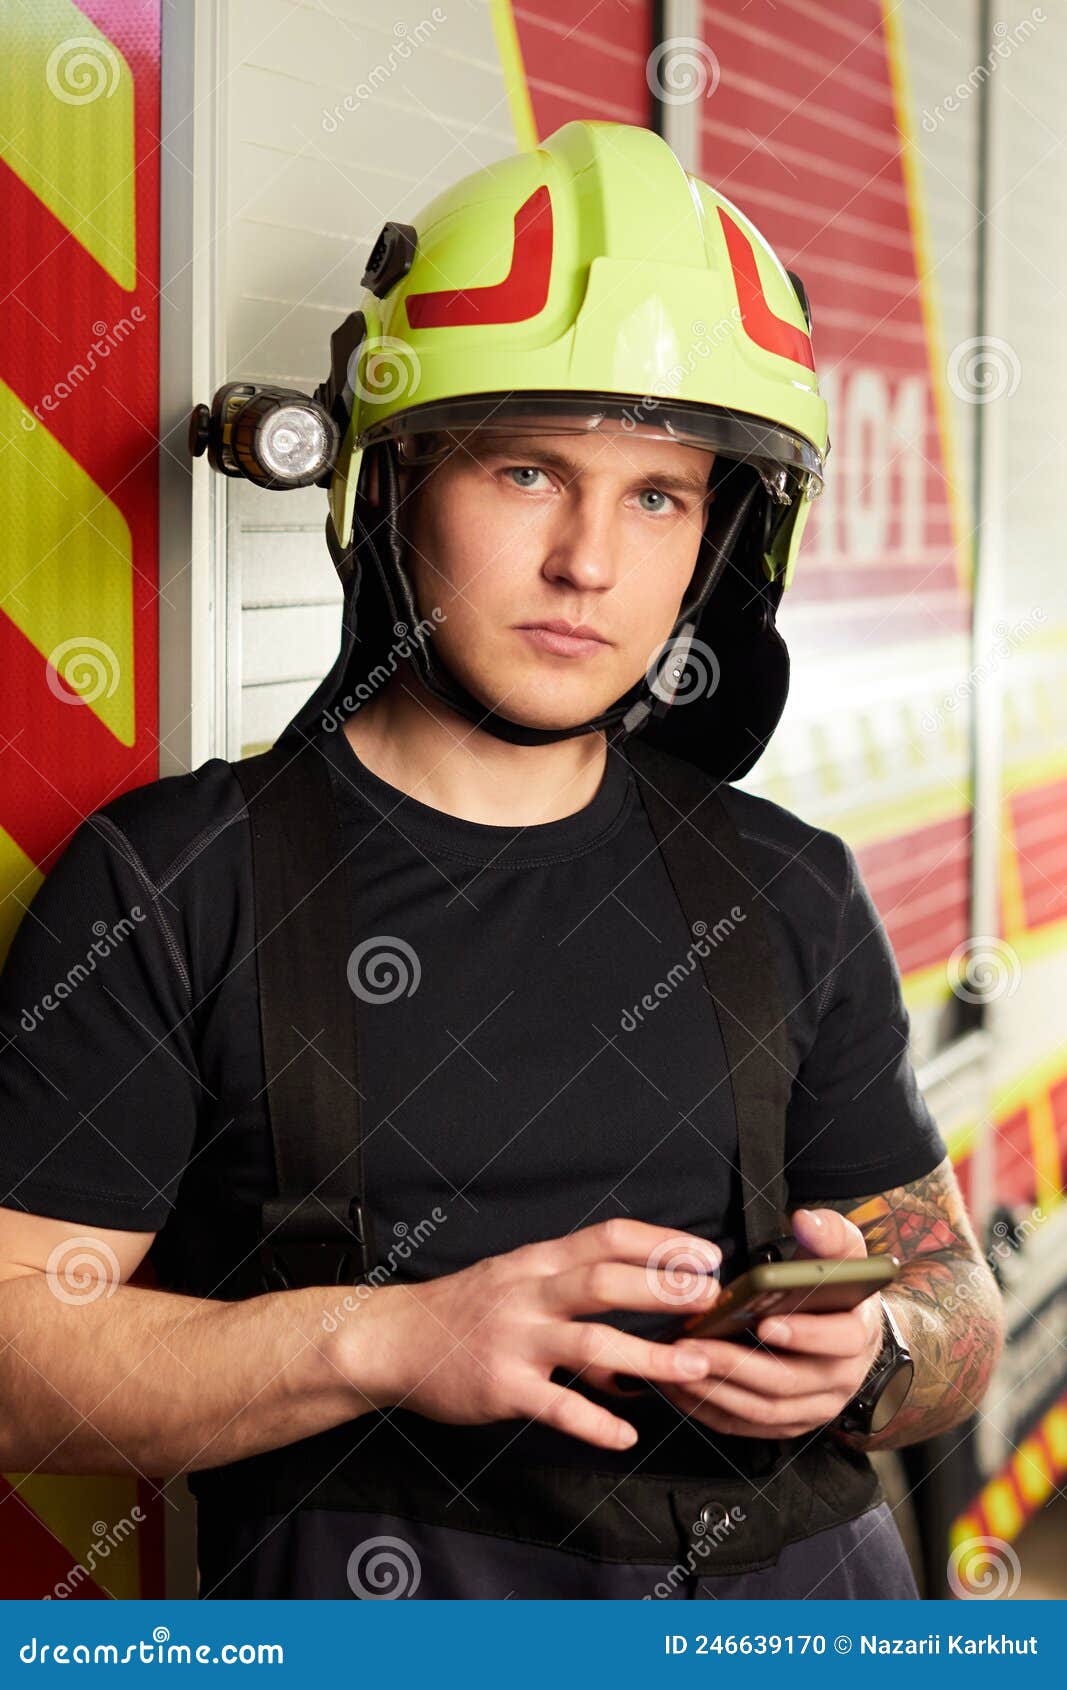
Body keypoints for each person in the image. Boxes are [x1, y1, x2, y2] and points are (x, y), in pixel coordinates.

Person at [0, 120, 1003, 1601]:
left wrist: (880, 1354)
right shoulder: (171, 882)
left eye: (658, 494)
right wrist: (391, 1336)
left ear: (724, 542)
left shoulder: (786, 884)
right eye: (527, 470)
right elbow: (18, 1365)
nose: (590, 561)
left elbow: (956, 1304)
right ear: (392, 486)